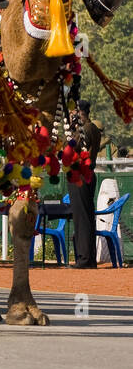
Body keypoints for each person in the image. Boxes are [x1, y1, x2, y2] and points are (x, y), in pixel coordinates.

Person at [69, 100, 105, 268]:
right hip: (85, 175)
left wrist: (71, 128)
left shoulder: (87, 129)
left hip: (80, 175)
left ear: (79, 113)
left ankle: (84, 258)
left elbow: (72, 147)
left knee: (82, 217)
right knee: (86, 216)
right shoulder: (91, 128)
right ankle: (88, 258)